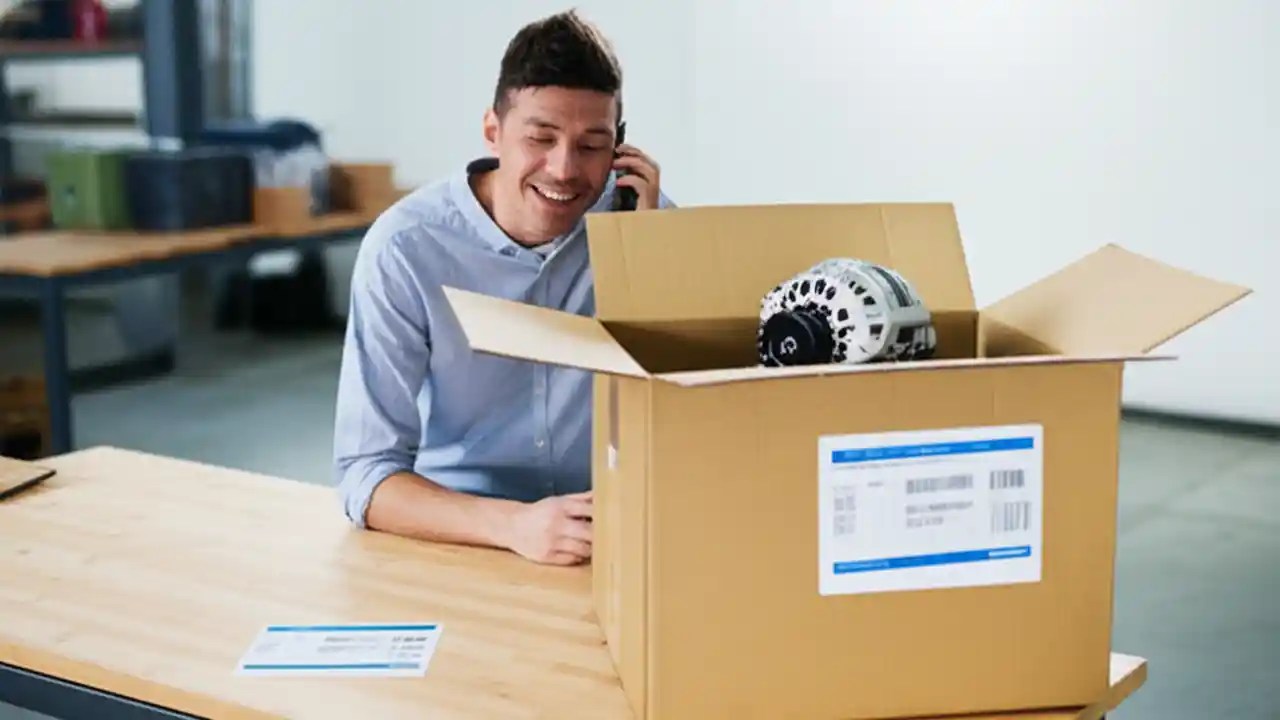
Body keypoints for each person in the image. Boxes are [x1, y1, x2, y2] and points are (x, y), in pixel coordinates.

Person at [332, 9, 673, 566]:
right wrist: (514, 525)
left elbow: (699, 413)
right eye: (541, 138)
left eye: (592, 146)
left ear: (620, 149)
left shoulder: (644, 222)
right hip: (463, 532)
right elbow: (365, 476)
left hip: (611, 537)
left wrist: (651, 259)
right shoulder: (405, 248)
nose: (564, 169)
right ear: (494, 131)